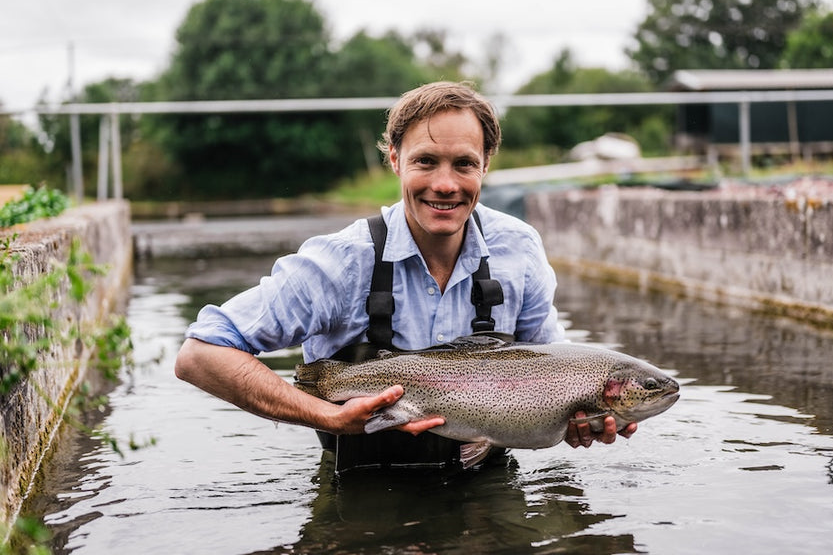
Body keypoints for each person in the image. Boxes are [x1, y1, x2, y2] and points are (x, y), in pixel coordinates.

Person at [174, 81, 636, 456]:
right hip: (360, 491)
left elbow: (552, 366)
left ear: (486, 166)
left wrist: (574, 421)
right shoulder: (341, 261)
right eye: (425, 162)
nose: (444, 184)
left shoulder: (519, 249)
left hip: (484, 487)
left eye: (464, 164)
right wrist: (327, 418)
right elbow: (199, 355)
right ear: (394, 159)